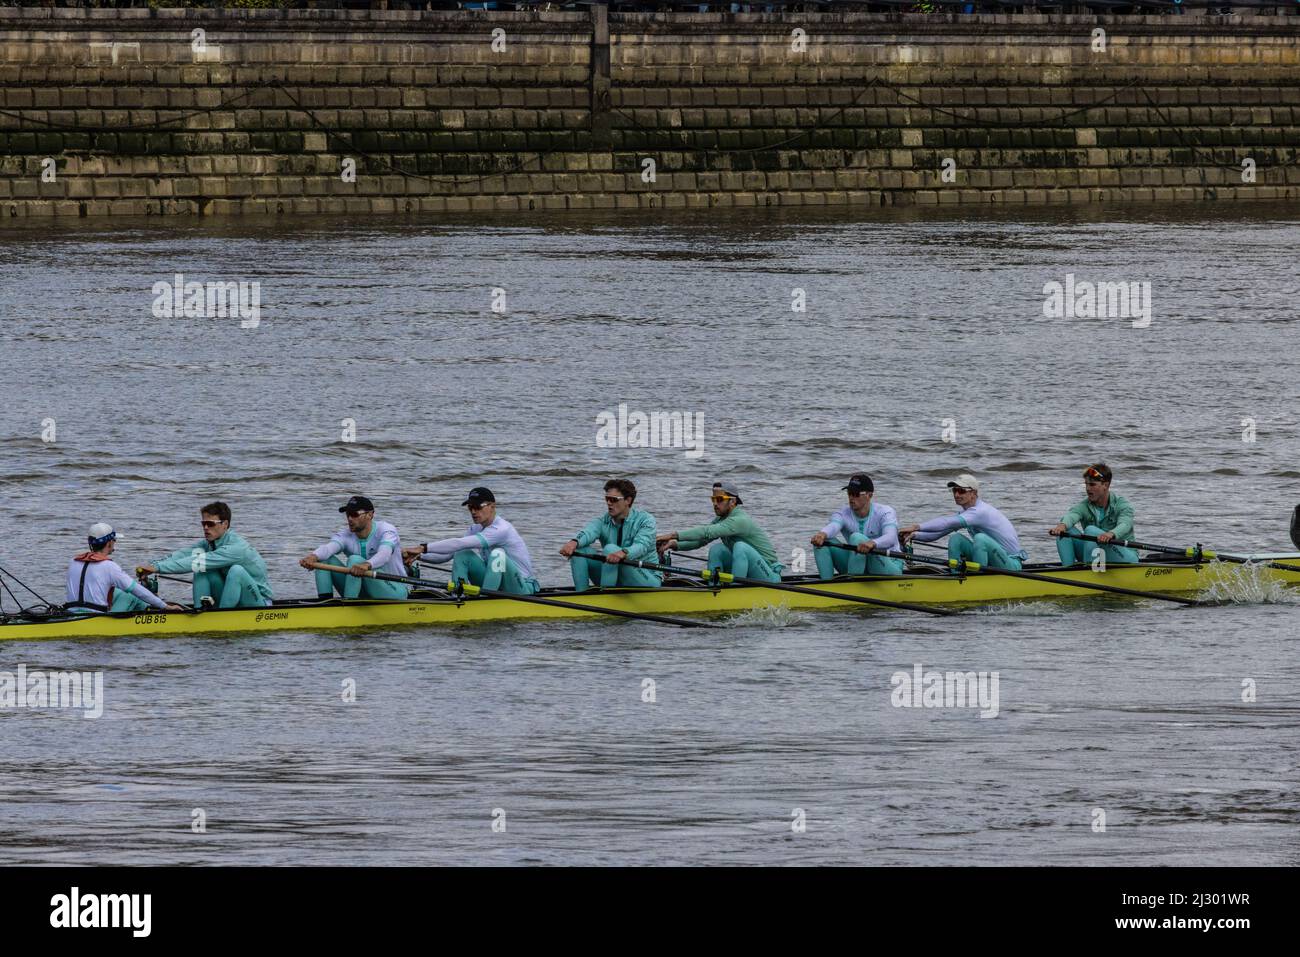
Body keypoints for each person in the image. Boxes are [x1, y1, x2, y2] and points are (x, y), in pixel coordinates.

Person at [400, 486, 539, 595]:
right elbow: (448, 554)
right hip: (495, 584)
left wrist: (423, 547)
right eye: (470, 507)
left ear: (492, 506)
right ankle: (457, 596)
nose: (473, 511)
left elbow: (459, 542)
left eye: (478, 507)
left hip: (521, 587)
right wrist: (419, 556)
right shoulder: (475, 528)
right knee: (462, 553)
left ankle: (484, 600)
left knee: (498, 554)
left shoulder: (501, 529)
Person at [138, 502, 273, 608]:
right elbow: (182, 554)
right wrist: (153, 565)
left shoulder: (236, 548)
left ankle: (222, 617)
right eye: (203, 524)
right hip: (234, 596)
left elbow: (197, 561)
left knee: (235, 571)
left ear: (225, 524)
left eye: (210, 524)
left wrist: (158, 569)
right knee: (201, 571)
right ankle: (200, 615)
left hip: (258, 601)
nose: (205, 528)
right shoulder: (209, 543)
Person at [656, 481, 782, 583]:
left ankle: (734, 592)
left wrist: (671, 535)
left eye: (720, 499)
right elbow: (700, 541)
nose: (715, 504)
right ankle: (713, 587)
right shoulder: (721, 520)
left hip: (768, 575)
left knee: (740, 547)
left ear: (732, 501)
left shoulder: (740, 520)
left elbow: (706, 531)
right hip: (750, 572)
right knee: (717, 550)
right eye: (713, 499)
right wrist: (673, 544)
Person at [898, 473, 1027, 572]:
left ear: (973, 493)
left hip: (1011, 564)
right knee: (956, 539)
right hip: (993, 560)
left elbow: (946, 522)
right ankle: (956, 577)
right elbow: (939, 533)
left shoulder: (980, 512)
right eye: (955, 490)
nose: (956, 494)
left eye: (961, 491)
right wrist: (914, 535)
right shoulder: (967, 514)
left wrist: (916, 526)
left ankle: (977, 579)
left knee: (980, 538)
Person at [559, 479, 662, 591]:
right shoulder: (603, 521)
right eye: (607, 499)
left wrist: (623, 553)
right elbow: (588, 531)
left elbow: (642, 546)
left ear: (628, 500)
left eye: (613, 499)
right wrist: (574, 542)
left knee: (610, 549)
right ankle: (580, 596)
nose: (609, 503)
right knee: (579, 551)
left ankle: (605, 595)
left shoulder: (646, 520)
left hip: (647, 578)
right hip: (613, 574)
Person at [300, 495, 409, 600]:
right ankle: (324, 604)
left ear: (370, 515)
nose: (350, 519)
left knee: (354, 560)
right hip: (361, 590)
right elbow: (328, 549)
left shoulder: (386, 530)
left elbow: (384, 554)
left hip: (395, 590)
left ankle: (348, 604)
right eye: (348, 514)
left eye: (354, 514)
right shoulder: (345, 535)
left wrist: (367, 565)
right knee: (323, 559)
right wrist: (313, 557)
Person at [66, 523, 182, 614]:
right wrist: (165, 606)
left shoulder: (73, 561)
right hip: (96, 618)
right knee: (132, 595)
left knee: (119, 590)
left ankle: (149, 608)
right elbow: (137, 590)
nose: (115, 543)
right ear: (109, 543)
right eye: (114, 540)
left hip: (71, 613)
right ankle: (154, 613)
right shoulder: (109, 566)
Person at [810, 472, 905, 579]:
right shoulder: (842, 513)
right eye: (849, 493)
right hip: (857, 563)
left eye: (856, 494)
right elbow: (833, 526)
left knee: (856, 538)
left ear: (869, 495)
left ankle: (851, 585)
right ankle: (826, 586)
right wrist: (822, 534)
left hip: (889, 565)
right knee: (823, 542)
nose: (851, 498)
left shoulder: (885, 512)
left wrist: (872, 543)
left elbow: (891, 538)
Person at [1049, 463, 1139, 566]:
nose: (1087, 488)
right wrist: (1062, 525)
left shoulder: (1122, 505)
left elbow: (1125, 525)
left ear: (1106, 485)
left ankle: (1088, 572)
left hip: (1125, 557)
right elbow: (1072, 515)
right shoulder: (1084, 505)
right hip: (1096, 554)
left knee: (1091, 530)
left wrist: (1111, 534)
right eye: (1086, 484)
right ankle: (1067, 571)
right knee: (1066, 531)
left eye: (1092, 484)